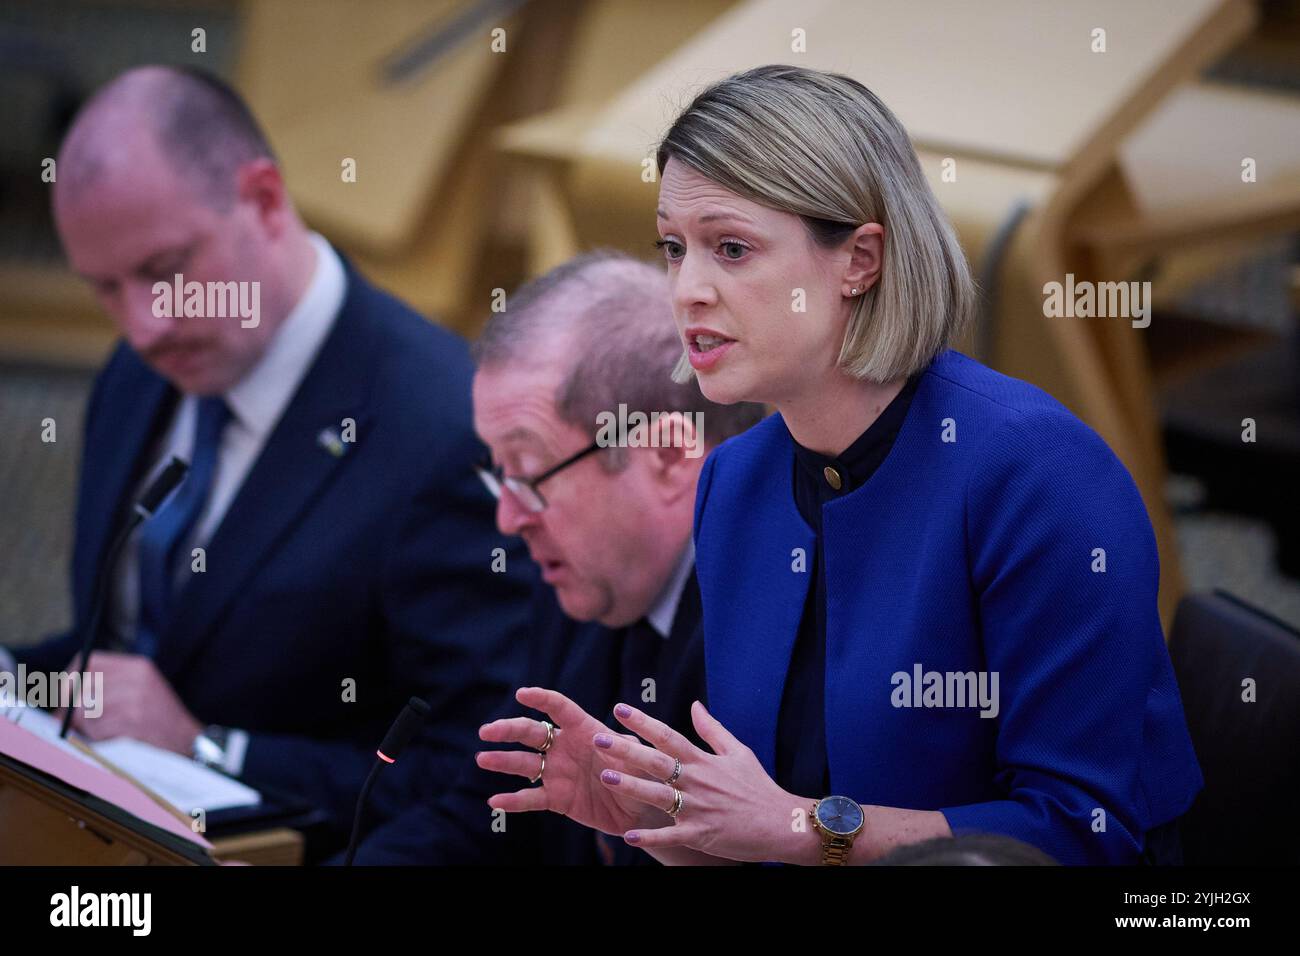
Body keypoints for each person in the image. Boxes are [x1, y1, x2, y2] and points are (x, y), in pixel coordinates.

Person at [493, 65, 1203, 866]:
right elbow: (766, 821)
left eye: (731, 248)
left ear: (860, 259)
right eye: (673, 248)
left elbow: (1081, 834)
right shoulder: (735, 484)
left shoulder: (1039, 475)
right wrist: (665, 825)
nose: (688, 289)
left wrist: (803, 826)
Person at [0, 65, 535, 847]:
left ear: (263, 198)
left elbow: (480, 781)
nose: (143, 324)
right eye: (104, 288)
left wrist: (212, 748)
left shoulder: (442, 429)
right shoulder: (138, 375)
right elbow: (123, 649)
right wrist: (18, 675)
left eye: (163, 271)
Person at [347, 252, 763, 863]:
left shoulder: (783, 618)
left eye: (532, 475)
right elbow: (486, 813)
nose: (508, 520)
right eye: (500, 476)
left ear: (671, 457)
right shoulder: (584, 575)